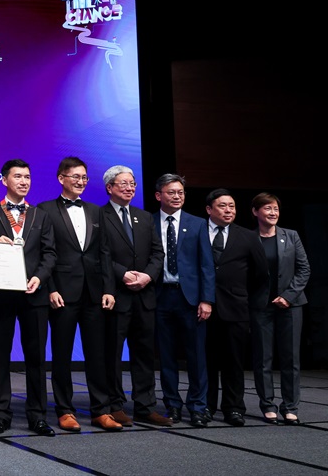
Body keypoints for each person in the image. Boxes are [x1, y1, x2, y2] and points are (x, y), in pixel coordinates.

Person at [36, 157, 122, 433]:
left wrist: (109, 289)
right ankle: (65, 410)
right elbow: (44, 253)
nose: (81, 181)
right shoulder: (45, 209)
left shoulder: (96, 211)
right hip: (62, 292)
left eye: (84, 177)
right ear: (61, 178)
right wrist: (50, 288)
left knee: (97, 354)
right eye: (75, 176)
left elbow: (104, 253)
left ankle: (101, 410)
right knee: (61, 354)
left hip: (94, 293)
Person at [0, 159, 58, 437]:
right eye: (18, 176)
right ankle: (1, 414)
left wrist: (40, 278)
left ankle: (38, 416)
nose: (24, 181)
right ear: (4, 180)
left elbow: (50, 254)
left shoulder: (41, 215)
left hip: (34, 295)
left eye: (27, 177)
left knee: (36, 357)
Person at [98, 165, 171, 426]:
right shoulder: (99, 215)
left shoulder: (144, 217)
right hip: (116, 295)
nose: (130, 188)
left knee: (144, 354)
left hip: (144, 296)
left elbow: (158, 253)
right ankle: (115, 404)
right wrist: (123, 274)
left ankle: (145, 406)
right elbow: (99, 254)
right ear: (109, 187)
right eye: (124, 184)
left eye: (133, 184)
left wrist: (147, 276)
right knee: (113, 354)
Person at [152, 173, 215, 427]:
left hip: (190, 299)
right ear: (159, 195)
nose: (177, 196)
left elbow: (206, 265)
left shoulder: (198, 223)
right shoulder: (148, 222)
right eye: (172, 192)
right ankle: (172, 405)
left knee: (196, 356)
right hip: (160, 297)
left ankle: (198, 406)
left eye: (181, 192)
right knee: (166, 356)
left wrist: (207, 299)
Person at [204, 188, 268, 426]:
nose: (228, 210)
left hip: (236, 307)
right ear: (209, 209)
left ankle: (233, 408)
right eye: (222, 206)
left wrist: (245, 298)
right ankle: (206, 406)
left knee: (234, 362)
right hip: (203, 307)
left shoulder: (248, 236)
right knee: (206, 361)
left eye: (231, 206)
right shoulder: (197, 231)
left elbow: (260, 274)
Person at [250, 192, 310, 426]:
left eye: (275, 208)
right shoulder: (249, 238)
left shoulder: (291, 236)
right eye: (267, 208)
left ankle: (290, 407)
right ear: (255, 212)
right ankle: (267, 405)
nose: (273, 212)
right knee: (263, 358)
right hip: (260, 306)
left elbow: (304, 269)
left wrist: (288, 296)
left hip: (290, 305)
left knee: (290, 358)